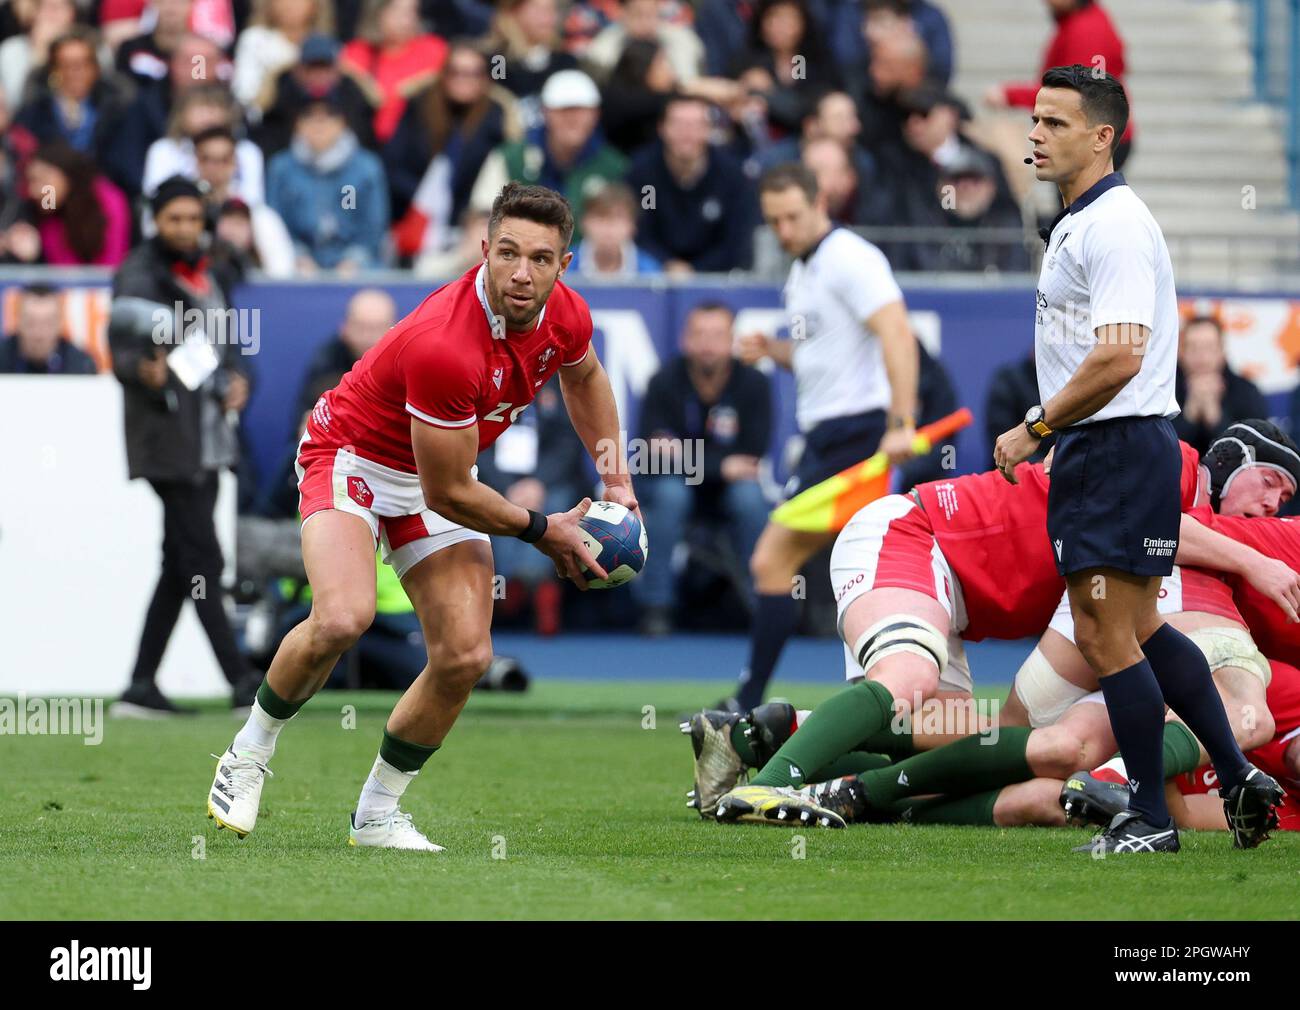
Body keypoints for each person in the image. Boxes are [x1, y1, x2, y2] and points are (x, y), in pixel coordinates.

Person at [205, 182, 638, 851]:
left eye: (542, 259)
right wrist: (544, 530)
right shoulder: (447, 345)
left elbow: (584, 379)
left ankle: (376, 815)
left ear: (564, 265)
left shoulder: (566, 315)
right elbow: (449, 495)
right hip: (353, 458)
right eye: (510, 254)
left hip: (436, 474)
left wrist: (616, 477)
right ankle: (247, 754)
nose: (523, 273)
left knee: (465, 655)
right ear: (485, 249)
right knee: (344, 617)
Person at [991, 65, 1282, 853]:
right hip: (1126, 446)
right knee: (1140, 624)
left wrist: (1037, 427)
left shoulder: (1111, 226)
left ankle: (1150, 817)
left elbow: (1119, 357)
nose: (1035, 136)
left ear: (1102, 135)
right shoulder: (1087, 222)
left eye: (1054, 123)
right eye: (1035, 122)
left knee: (1103, 634)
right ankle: (1240, 774)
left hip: (1112, 447)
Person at [717, 161, 918, 714]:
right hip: (831, 438)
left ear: (820, 201)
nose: (783, 231)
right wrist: (775, 351)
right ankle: (888, 699)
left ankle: (749, 698)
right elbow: (821, 354)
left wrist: (901, 423)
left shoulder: (850, 258)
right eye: (773, 222)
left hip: (857, 435)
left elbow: (897, 333)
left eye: (791, 217)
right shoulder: (804, 269)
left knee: (773, 561)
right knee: (862, 570)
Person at [107, 175, 255, 717]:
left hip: (211, 439)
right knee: (205, 560)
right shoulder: (138, 271)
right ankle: (243, 683)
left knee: (179, 565)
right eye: (175, 219)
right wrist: (140, 371)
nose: (186, 228)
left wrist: (241, 381)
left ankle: (140, 687)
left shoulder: (213, 269)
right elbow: (119, 347)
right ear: (155, 221)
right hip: (169, 440)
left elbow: (228, 348)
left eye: (194, 218)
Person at [634, 301, 772, 636]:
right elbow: (653, 452)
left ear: (732, 340)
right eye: (699, 334)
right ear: (684, 340)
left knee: (751, 498)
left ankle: (765, 606)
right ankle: (656, 606)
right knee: (669, 495)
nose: (708, 343)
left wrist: (689, 457)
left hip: (728, 491)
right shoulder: (663, 382)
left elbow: (752, 456)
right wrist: (722, 464)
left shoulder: (754, 384)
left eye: (717, 335)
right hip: (672, 484)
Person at [469, 68, 627, 244]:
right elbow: (483, 217)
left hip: (587, 265)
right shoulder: (510, 158)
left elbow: (624, 228)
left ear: (595, 114)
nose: (573, 119)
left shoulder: (614, 167)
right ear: (545, 112)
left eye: (581, 111)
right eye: (564, 111)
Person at [987, 0, 1133, 169]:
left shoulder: (1086, 29)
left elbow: (1074, 91)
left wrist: (1010, 95)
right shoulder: (1082, 19)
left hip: (1092, 137)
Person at [626, 93, 758, 274]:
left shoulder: (733, 176)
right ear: (662, 128)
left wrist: (695, 271)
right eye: (678, 124)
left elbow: (737, 241)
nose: (687, 133)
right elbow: (638, 232)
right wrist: (667, 265)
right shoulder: (642, 174)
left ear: (709, 130)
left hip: (717, 280)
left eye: (696, 125)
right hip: (654, 277)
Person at [266, 94, 390, 273]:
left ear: (342, 123)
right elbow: (274, 224)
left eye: (328, 116)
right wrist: (298, 255)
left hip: (359, 265)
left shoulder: (367, 167)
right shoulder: (281, 168)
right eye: (309, 116)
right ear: (298, 124)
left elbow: (374, 226)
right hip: (297, 265)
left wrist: (354, 259)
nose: (319, 124)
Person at [340, 0, 448, 144]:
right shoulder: (357, 51)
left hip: (418, 141)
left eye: (412, 11)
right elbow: (375, 97)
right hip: (366, 140)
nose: (408, 19)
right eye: (399, 11)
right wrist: (365, 83)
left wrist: (419, 83)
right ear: (377, 13)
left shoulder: (434, 49)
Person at [292, 287, 397, 421]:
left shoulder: (405, 365)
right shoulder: (326, 361)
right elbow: (307, 422)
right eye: (360, 327)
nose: (368, 337)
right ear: (344, 328)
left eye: (378, 328)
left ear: (395, 329)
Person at [1172, 315, 1269, 456]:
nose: (1201, 356)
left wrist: (1215, 417)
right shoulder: (1165, 392)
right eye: (1193, 347)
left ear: (1222, 350)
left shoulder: (1247, 392)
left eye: (1209, 347)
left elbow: (1255, 452)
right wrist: (1190, 415)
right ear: (1181, 352)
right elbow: (1160, 452)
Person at [23, 142, 131, 266]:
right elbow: (61, 268)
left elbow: (113, 261)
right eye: (31, 181)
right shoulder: (47, 209)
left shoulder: (107, 199)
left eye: (41, 180)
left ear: (65, 174)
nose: (34, 191)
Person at [566, 180, 660, 275]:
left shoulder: (651, 272)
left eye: (618, 218)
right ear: (583, 222)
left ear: (632, 225)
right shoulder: (562, 268)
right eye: (600, 216)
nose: (608, 227)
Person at [0, 282, 97, 374]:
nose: (38, 334)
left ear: (59, 324)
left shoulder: (81, 365)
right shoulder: (3, 357)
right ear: (18, 321)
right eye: (31, 323)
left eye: (47, 324)